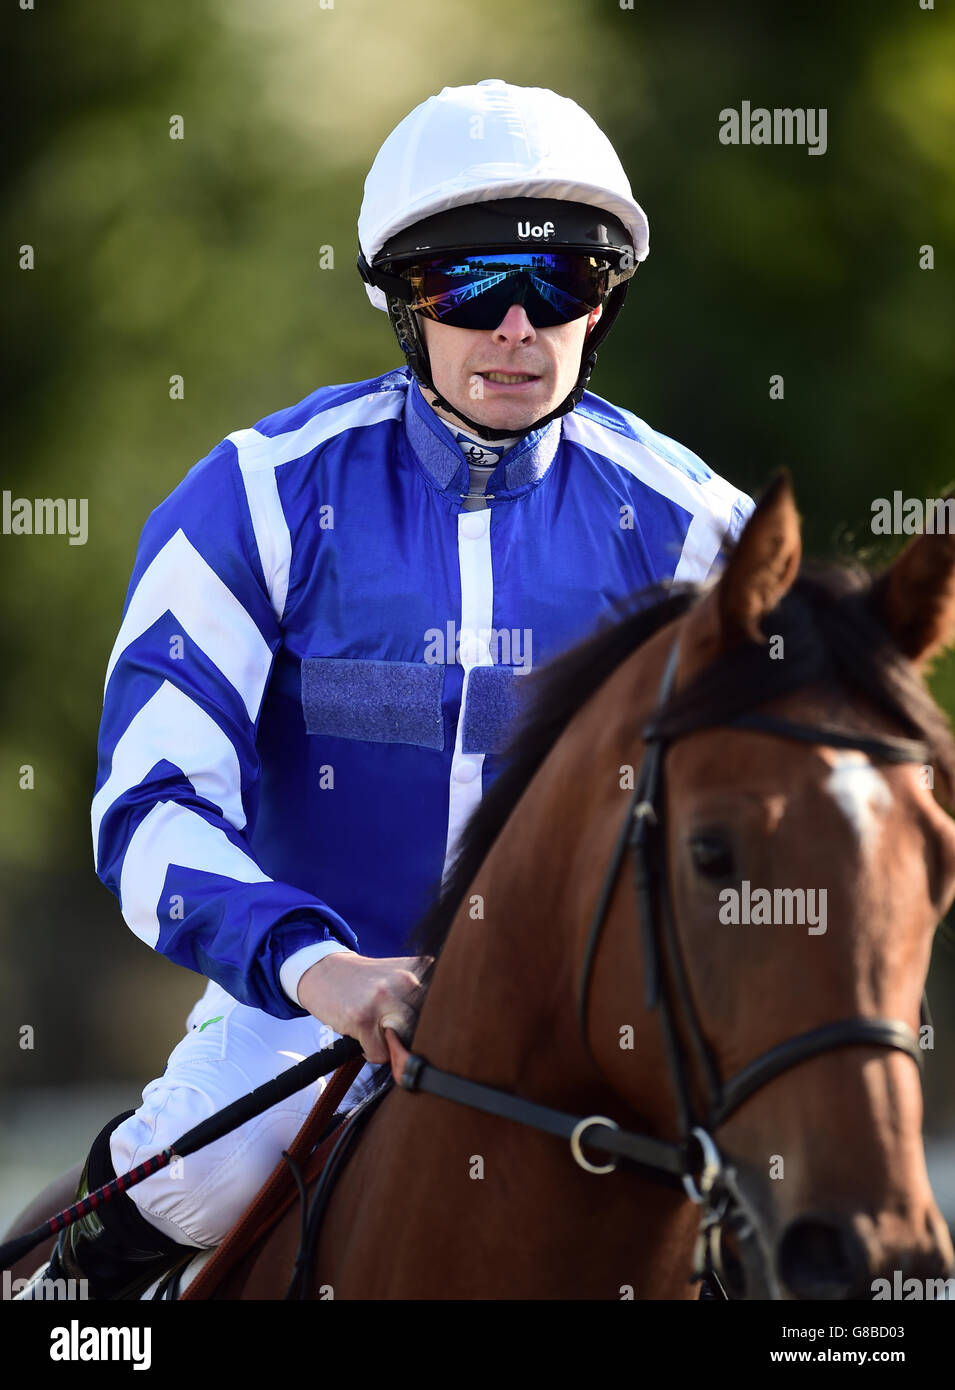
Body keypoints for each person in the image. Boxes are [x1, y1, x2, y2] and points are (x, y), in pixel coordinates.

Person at [19, 78, 753, 1299]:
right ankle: (63, 1299)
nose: (518, 326)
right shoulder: (253, 498)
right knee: (195, 1175)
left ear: (603, 303)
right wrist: (318, 968)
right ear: (402, 304)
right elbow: (148, 808)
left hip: (603, 1029)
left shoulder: (699, 531)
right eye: (470, 285)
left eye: (560, 281)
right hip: (308, 1007)